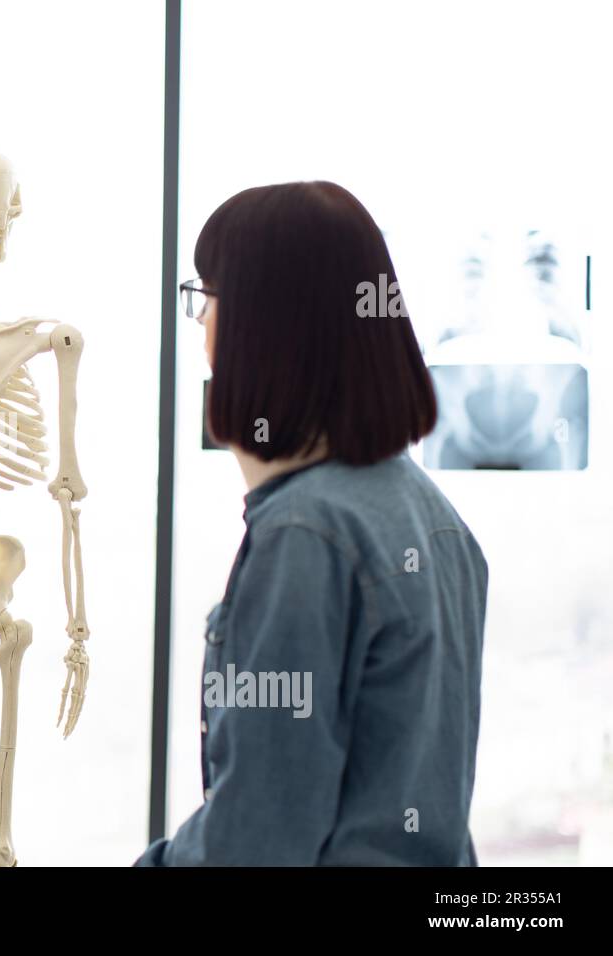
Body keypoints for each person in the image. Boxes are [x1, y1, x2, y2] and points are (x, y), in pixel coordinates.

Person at [136, 181, 488, 865]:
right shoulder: (432, 516)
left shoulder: (306, 535)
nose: (202, 326)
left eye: (207, 299)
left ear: (265, 327)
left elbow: (259, 836)